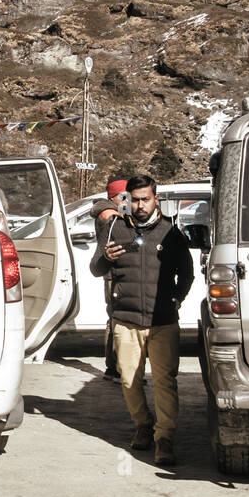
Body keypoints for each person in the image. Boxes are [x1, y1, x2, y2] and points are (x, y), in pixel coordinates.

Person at [91, 173, 193, 467]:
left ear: (155, 198)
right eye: (133, 200)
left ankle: (164, 438)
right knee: (129, 379)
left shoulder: (171, 232)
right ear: (127, 201)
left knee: (164, 381)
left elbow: (186, 273)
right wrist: (106, 259)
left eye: (145, 199)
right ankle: (143, 425)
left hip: (163, 321)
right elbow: (96, 269)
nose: (139, 205)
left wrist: (177, 299)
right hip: (125, 320)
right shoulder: (116, 229)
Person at [91, 177, 129, 383]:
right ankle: (115, 367)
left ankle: (113, 367)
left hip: (112, 273)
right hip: (113, 273)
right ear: (116, 196)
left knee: (114, 319)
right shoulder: (110, 216)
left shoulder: (109, 212)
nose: (129, 201)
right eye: (125, 196)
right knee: (117, 319)